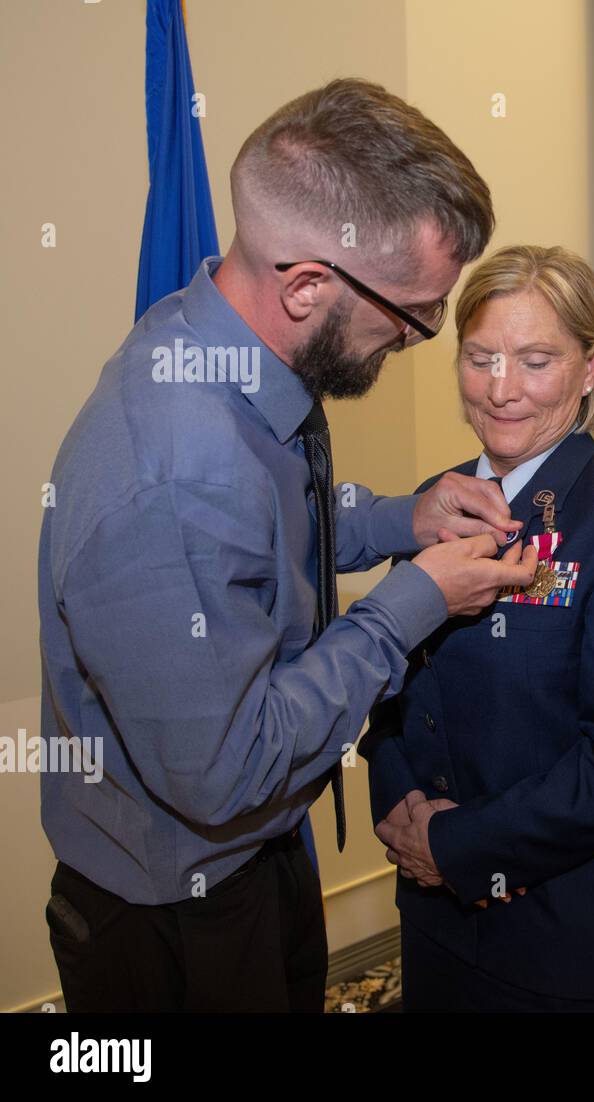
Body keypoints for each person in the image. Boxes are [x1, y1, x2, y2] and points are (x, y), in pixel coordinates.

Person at [37, 78, 537, 1012]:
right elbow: (230, 771)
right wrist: (415, 600)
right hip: (173, 922)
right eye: (415, 315)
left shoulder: (226, 350)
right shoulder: (172, 472)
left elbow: (259, 540)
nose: (415, 339)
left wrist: (404, 520)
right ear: (309, 285)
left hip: (251, 862)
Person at [361, 245, 594, 1012]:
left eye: (534, 359)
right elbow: (390, 689)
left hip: (569, 948)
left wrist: (454, 846)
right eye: (479, 358)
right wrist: (401, 810)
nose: (500, 388)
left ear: (590, 368)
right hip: (436, 925)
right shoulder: (434, 504)